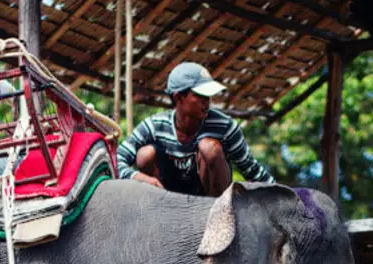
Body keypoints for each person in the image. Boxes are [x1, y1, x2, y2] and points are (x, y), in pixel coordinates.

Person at [116, 62, 274, 197]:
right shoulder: (154, 126)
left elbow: (251, 169)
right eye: (201, 95)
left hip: (211, 198)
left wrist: (282, 194)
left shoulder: (225, 126)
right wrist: (140, 178)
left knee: (209, 147)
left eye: (209, 96)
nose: (207, 101)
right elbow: (117, 160)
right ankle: (159, 208)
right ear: (179, 97)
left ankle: (216, 210)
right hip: (167, 196)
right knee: (145, 154)